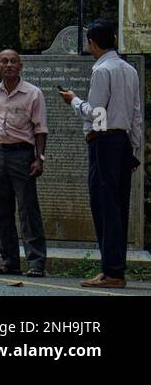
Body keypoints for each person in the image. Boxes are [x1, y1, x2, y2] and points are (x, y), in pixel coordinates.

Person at [59, 19, 144, 289]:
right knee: (118, 207)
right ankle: (114, 268)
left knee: (104, 206)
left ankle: (112, 272)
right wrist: (133, 149)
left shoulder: (101, 70)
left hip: (104, 142)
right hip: (122, 141)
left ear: (92, 43)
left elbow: (96, 112)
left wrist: (73, 100)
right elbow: (136, 114)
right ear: (115, 40)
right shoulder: (129, 70)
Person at [0, 49, 48, 277]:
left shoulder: (33, 94)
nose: (9, 65)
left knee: (28, 209)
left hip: (22, 155)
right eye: (4, 62)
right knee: (1, 209)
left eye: (14, 61)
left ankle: (36, 263)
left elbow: (41, 129)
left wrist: (39, 158)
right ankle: (10, 261)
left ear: (21, 66)